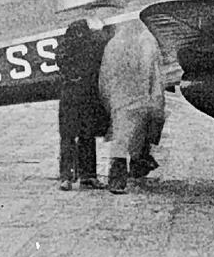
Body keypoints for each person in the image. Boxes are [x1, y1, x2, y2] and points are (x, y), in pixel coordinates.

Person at [99, 19, 165, 194]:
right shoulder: (148, 40)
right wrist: (156, 98)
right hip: (142, 98)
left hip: (120, 99)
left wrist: (109, 99)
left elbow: (105, 76)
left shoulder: (113, 44)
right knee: (141, 134)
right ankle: (135, 168)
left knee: (120, 140)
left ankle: (117, 180)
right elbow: (154, 73)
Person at [57, 18, 110, 190]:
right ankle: (85, 176)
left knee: (70, 137)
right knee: (84, 137)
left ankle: (68, 177)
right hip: (83, 97)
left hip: (72, 98)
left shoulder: (65, 47)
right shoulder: (93, 45)